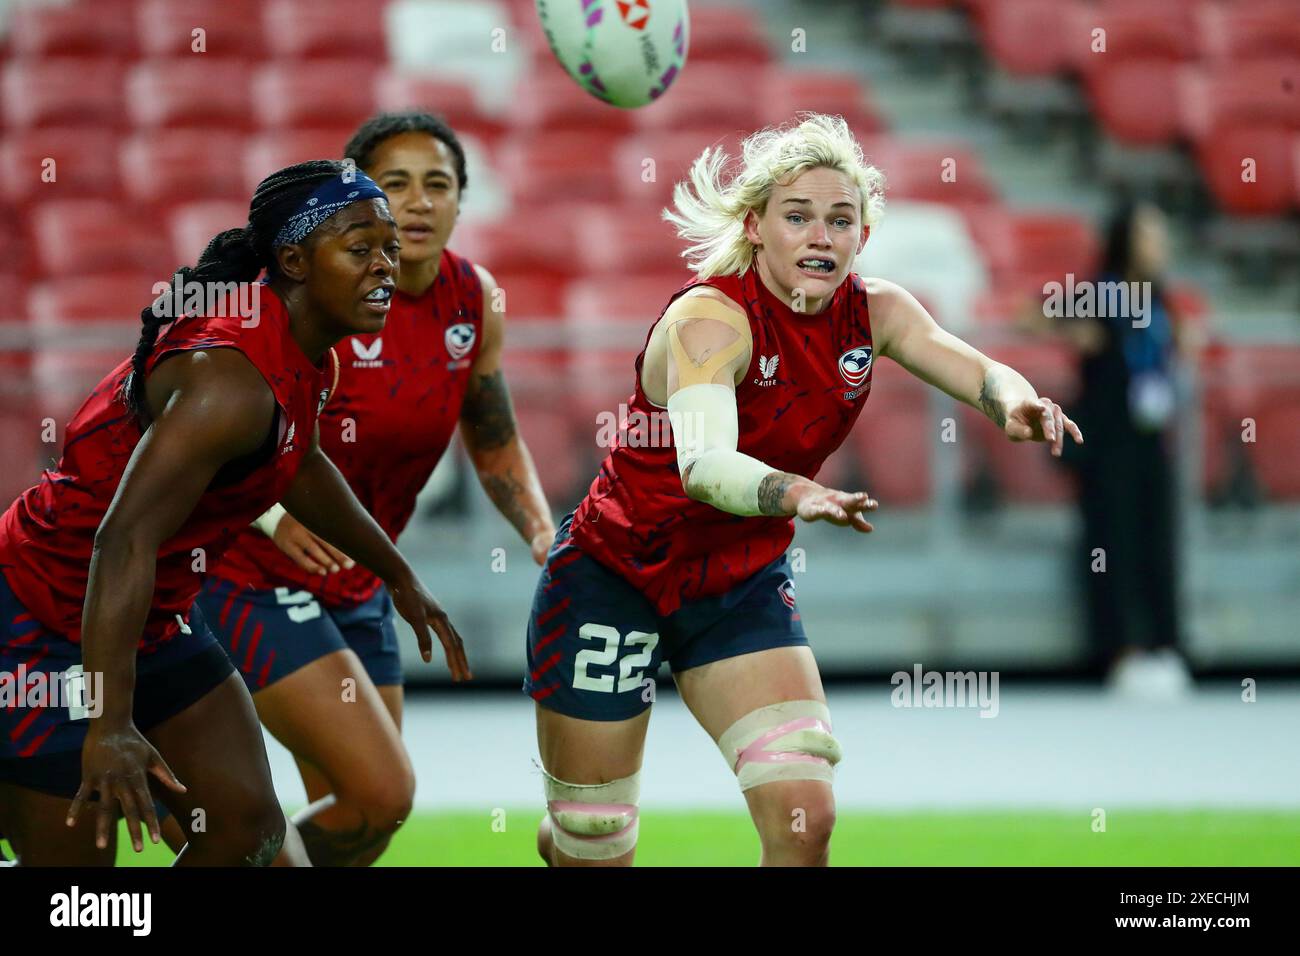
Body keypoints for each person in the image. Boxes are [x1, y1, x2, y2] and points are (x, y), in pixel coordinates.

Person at [523, 114, 1082, 867]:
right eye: (798, 216)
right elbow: (705, 467)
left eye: (840, 220)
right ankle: (565, 839)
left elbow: (975, 367)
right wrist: (797, 495)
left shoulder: (877, 311)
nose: (821, 235)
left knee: (805, 818)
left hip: (737, 579)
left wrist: (1013, 401)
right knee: (595, 841)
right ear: (756, 227)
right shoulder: (708, 320)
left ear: (863, 236)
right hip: (614, 572)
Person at [0, 160, 469, 866]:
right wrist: (111, 722)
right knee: (79, 892)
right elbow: (121, 540)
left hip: (148, 620)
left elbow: (298, 462)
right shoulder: (228, 381)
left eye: (391, 251)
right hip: (36, 621)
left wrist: (397, 574)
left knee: (250, 834)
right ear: (293, 260)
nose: (385, 268)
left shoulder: (306, 356)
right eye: (360, 248)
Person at [181, 113, 553, 867]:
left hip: (362, 582)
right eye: (395, 185)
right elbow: (214, 427)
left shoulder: (473, 299)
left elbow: (492, 432)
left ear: (460, 201)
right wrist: (275, 512)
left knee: (358, 824)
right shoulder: (309, 295)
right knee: (381, 791)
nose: (417, 203)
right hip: (249, 576)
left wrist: (547, 536)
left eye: (438, 184)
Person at [1058, 200, 1194, 698]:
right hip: (1108, 443)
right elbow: (1033, 311)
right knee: (1109, 546)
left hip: (1152, 439)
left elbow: (1162, 349)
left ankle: (1165, 645)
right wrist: (1073, 330)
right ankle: (1117, 651)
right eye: (1151, 236)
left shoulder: (1159, 298)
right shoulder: (1100, 292)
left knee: (1158, 543)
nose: (1161, 246)